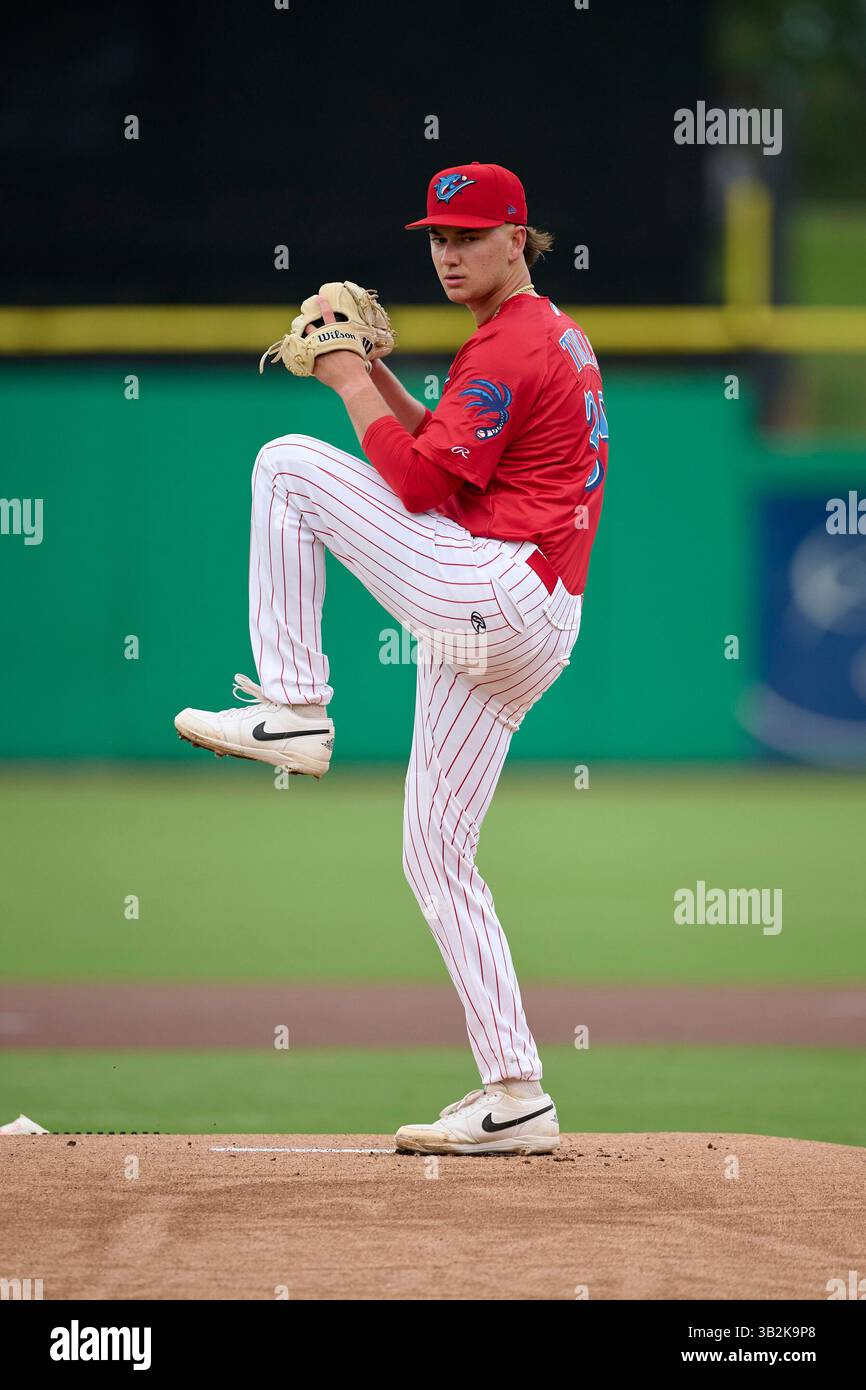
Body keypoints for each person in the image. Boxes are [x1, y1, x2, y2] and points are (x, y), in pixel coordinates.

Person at [175, 161, 608, 1155]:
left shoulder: (506, 346)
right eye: (435, 238)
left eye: (468, 235)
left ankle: (295, 703)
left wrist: (339, 379)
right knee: (435, 853)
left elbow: (412, 490)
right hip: (516, 619)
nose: (448, 253)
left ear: (517, 238)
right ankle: (516, 1094)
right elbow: (451, 473)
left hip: (494, 594)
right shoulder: (538, 337)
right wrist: (372, 378)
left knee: (285, 467)